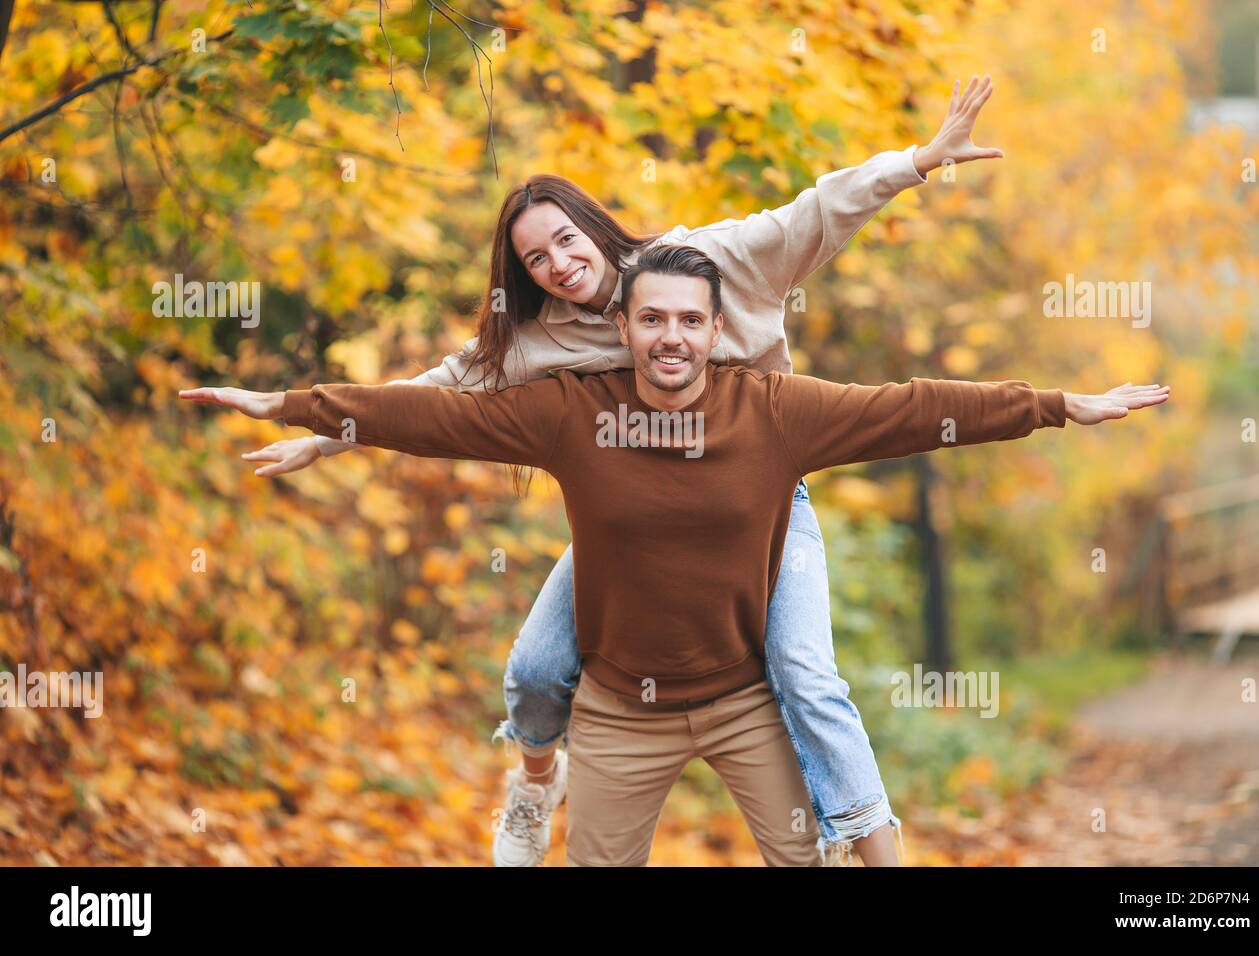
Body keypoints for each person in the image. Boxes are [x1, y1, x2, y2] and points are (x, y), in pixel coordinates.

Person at [180, 243, 1170, 866]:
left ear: (716, 330)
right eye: (651, 317)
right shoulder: (571, 412)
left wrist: (1057, 404)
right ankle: (537, 775)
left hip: (746, 705)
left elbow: (914, 407)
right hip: (616, 710)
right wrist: (297, 405)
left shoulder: (775, 412)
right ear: (622, 326)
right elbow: (431, 414)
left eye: (689, 320)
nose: (670, 336)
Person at [233, 76, 1006, 867]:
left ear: (594, 227)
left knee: (803, 668)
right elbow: (436, 399)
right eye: (535, 259)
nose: (558, 264)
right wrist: (325, 433)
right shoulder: (536, 346)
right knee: (534, 668)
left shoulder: (706, 263)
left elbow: (816, 212)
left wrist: (918, 162)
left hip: (760, 502)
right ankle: (538, 781)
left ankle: (847, 836)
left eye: (565, 240)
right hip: (632, 516)